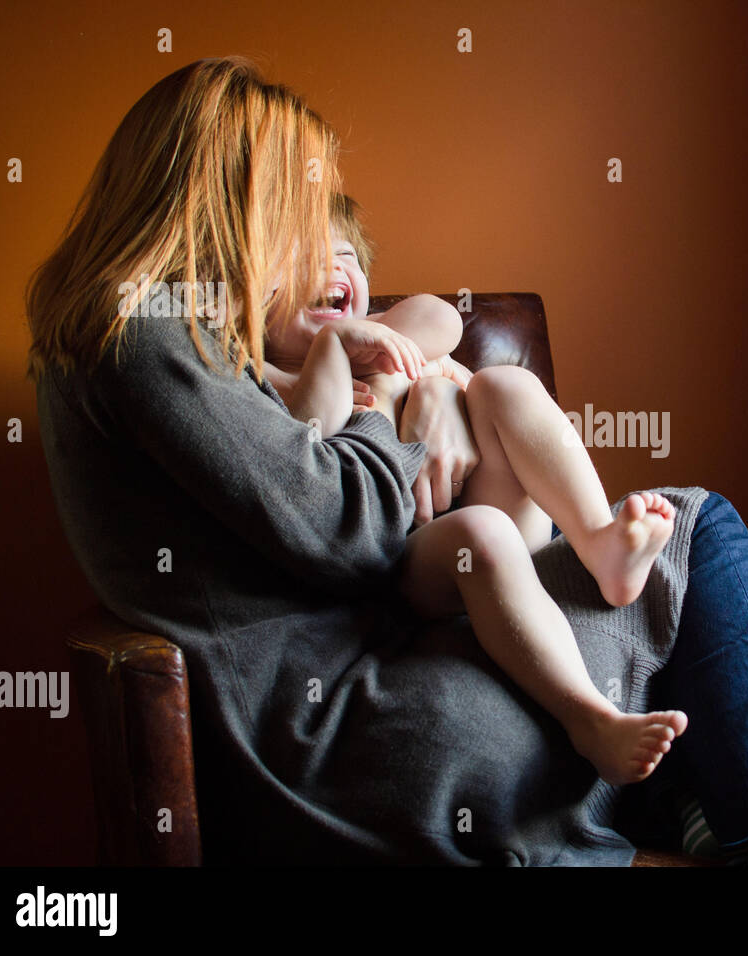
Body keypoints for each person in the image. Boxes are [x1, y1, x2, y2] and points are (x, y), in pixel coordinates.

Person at [29, 56, 748, 867]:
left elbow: (344, 462)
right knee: (698, 529)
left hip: (397, 669)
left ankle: (731, 813)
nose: (309, 242)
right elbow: (344, 529)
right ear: (235, 200)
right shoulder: (145, 333)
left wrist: (433, 394)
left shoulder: (162, 339)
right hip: (362, 737)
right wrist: (396, 405)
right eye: (297, 210)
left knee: (676, 536)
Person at [257, 194, 689, 786]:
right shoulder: (263, 377)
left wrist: (390, 357)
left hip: (503, 521)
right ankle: (591, 718)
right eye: (298, 257)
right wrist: (338, 354)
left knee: (505, 383)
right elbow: (314, 432)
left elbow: (444, 319)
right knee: (480, 532)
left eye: (346, 256)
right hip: (405, 565)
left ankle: (601, 542)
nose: (330, 268)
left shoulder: (390, 339)